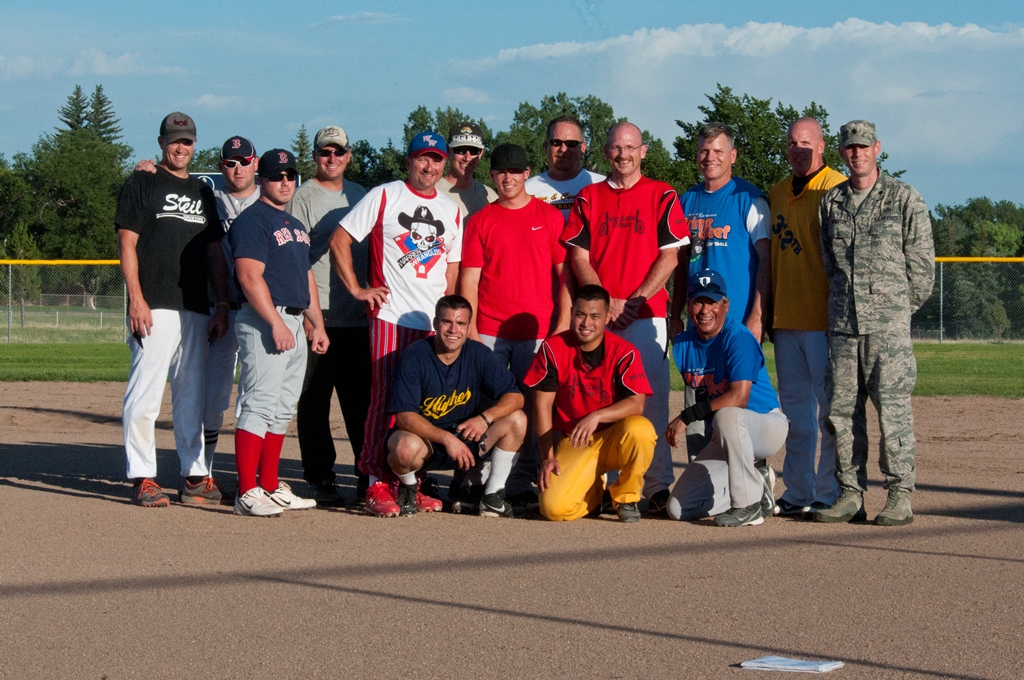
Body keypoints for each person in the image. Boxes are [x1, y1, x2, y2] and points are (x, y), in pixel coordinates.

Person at [330, 131, 462, 517]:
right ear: (409, 161)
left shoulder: (451, 209)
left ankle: (410, 481)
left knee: (424, 405)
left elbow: (451, 270)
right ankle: (374, 481)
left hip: (430, 323)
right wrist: (357, 289)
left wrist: (447, 319)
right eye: (422, 158)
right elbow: (340, 239)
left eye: (436, 159)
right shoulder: (386, 195)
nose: (429, 166)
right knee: (385, 400)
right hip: (391, 316)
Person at [562, 121, 689, 512]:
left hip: (645, 314)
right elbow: (578, 256)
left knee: (649, 403)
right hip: (598, 318)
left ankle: (655, 486)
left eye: (631, 147)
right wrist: (604, 303)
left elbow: (670, 254)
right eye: (617, 148)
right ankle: (600, 485)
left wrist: (634, 299)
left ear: (643, 151)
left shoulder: (661, 193)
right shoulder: (588, 196)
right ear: (605, 152)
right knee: (598, 400)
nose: (624, 154)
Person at [815, 120, 934, 527]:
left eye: (864, 146)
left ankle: (900, 494)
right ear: (842, 153)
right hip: (844, 328)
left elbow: (921, 270)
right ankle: (850, 493)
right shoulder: (831, 203)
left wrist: (894, 311)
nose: (857, 154)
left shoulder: (903, 199)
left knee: (894, 412)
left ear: (877, 148)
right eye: (850, 148)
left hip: (888, 331)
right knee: (842, 413)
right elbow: (829, 265)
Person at [132, 134, 261, 497]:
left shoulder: (273, 197)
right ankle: (199, 472)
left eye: (244, 160)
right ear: (221, 167)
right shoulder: (207, 195)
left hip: (257, 311)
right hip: (216, 309)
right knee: (210, 396)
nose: (238, 168)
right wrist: (147, 168)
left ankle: (251, 475)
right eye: (230, 162)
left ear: (255, 163)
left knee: (253, 396)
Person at [115, 111, 230, 507]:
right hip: (155, 304)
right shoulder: (143, 181)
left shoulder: (203, 191)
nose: (181, 147)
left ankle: (195, 475)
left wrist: (223, 303)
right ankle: (143, 476)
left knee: (191, 396)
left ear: (195, 145)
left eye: (188, 141)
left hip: (196, 306)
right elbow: (126, 243)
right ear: (162, 143)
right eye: (174, 140)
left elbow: (215, 251)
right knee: (144, 392)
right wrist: (136, 297)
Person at [459, 142, 569, 512]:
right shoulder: (481, 220)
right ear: (492, 176)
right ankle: (471, 477)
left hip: (537, 330)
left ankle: (519, 480)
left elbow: (564, 277)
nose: (508, 178)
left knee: (536, 406)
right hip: (489, 327)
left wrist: (562, 324)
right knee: (484, 403)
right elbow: (469, 281)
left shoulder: (550, 217)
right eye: (500, 172)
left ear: (527, 174)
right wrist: (471, 329)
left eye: (515, 171)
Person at [229, 149, 329, 517]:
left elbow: (306, 278)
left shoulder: (296, 226)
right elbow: (248, 275)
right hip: (263, 321)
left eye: (290, 176)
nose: (284, 182)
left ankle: (269, 485)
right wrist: (273, 322)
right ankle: (246, 491)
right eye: (276, 176)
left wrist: (315, 323)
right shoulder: (253, 220)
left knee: (283, 406)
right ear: (261, 180)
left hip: (294, 319)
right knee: (259, 403)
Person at [671, 123, 772, 477]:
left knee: (741, 404)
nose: (709, 157)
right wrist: (674, 312)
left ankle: (756, 473)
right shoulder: (687, 201)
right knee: (698, 404)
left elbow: (765, 260)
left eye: (717, 151)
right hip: (699, 328)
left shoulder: (749, 198)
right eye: (703, 150)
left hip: (734, 325)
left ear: (732, 156)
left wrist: (757, 317)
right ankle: (705, 479)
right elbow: (680, 264)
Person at [766, 118, 851, 516]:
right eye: (792, 143)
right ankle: (797, 491)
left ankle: (828, 490)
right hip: (786, 318)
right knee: (796, 412)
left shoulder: (836, 187)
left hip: (823, 319)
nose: (798, 149)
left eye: (806, 143)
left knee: (828, 410)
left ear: (821, 147)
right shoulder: (777, 192)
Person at [287, 125, 370, 505]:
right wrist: (307, 315)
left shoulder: (361, 195)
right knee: (314, 402)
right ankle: (320, 476)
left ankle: (367, 474)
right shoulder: (303, 197)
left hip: (356, 317)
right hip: (317, 314)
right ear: (316, 156)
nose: (332, 158)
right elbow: (294, 258)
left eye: (338, 152)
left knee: (360, 403)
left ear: (348, 156)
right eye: (325, 152)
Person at [665, 270, 788, 526]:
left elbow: (739, 398)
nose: (704, 310)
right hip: (727, 432)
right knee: (678, 507)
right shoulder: (684, 344)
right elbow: (703, 394)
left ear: (725, 305)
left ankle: (749, 505)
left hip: (765, 426)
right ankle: (758, 486)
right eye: (698, 301)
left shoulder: (738, 338)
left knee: (727, 415)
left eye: (712, 301)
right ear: (689, 305)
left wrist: (687, 416)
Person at [385, 295, 527, 517]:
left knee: (518, 418)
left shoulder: (478, 354)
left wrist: (485, 418)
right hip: (428, 443)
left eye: (460, 323)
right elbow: (404, 416)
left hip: (468, 439)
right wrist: (446, 438)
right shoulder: (415, 355)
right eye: (447, 322)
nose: (454, 329)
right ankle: (410, 485)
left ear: (469, 327)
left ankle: (492, 495)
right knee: (403, 448)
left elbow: (516, 397)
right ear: (435, 324)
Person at [525, 285, 657, 523]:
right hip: (575, 439)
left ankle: (626, 497)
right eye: (580, 314)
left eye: (595, 316)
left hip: (614, 437)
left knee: (641, 429)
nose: (586, 323)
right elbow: (541, 407)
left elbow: (637, 404)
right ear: (572, 312)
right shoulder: (552, 348)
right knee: (553, 509)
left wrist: (596, 416)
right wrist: (548, 456)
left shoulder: (624, 351)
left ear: (607, 317)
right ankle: (596, 494)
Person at [525, 115, 605, 216]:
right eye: (556, 142)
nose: (563, 149)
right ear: (545, 146)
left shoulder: (601, 186)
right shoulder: (526, 191)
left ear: (583, 148)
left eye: (571, 143)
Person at [437, 122, 497, 223]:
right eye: (461, 150)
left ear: (481, 153)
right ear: (448, 150)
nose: (467, 158)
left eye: (474, 151)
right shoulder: (433, 192)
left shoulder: (488, 196)